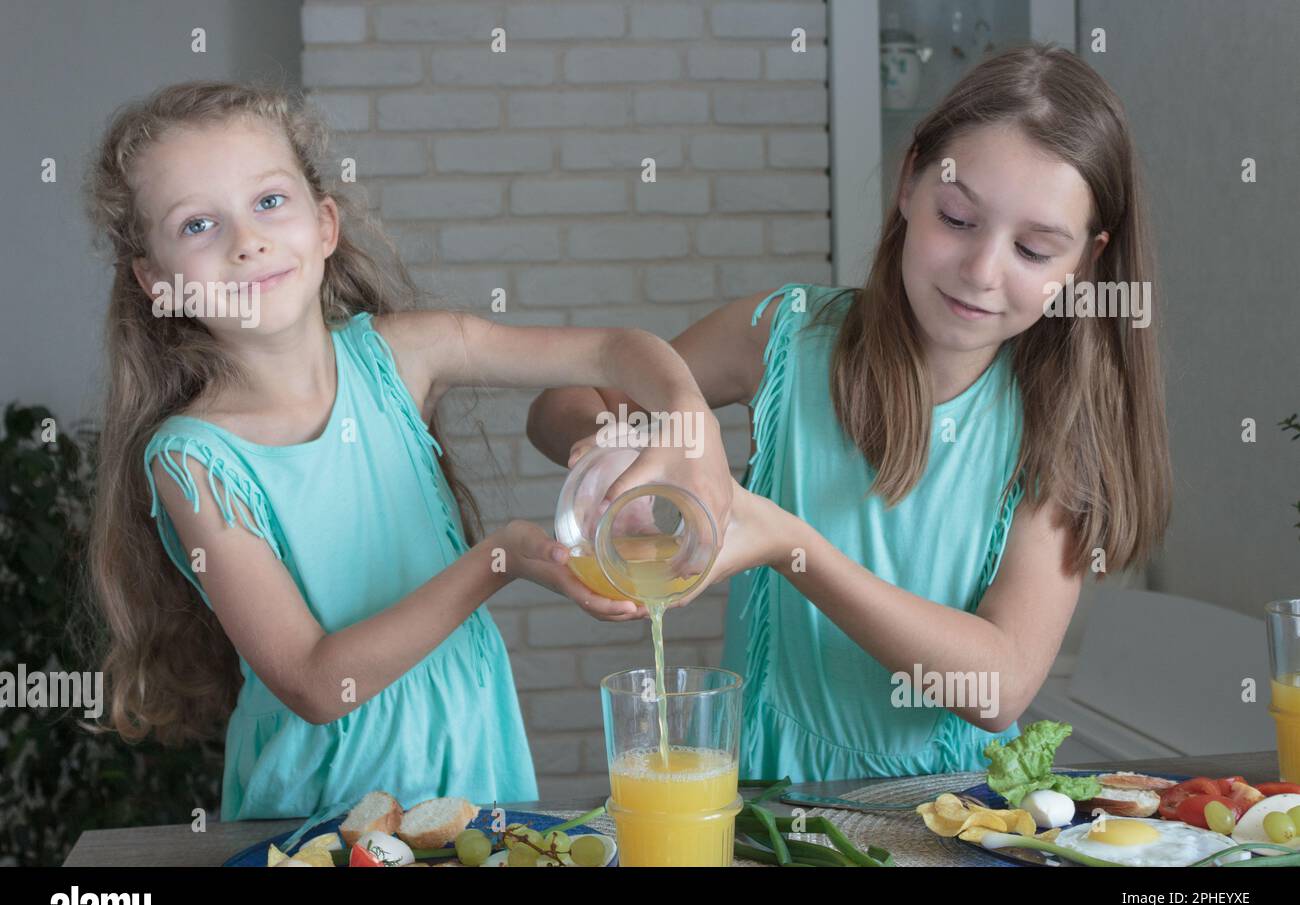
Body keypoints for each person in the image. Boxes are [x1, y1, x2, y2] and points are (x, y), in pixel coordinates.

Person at [80, 80, 733, 822]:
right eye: (198, 224)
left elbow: (617, 352)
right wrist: (503, 558)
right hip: (318, 812)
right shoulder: (193, 459)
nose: (246, 240)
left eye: (268, 202)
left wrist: (689, 422)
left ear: (325, 224)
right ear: (155, 280)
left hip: (476, 770)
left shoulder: (406, 354)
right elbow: (316, 685)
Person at [529, 44, 1173, 783]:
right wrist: (610, 447)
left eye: (1032, 249)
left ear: (1085, 263)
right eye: (958, 219)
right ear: (909, 182)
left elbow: (999, 687)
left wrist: (789, 545)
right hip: (762, 794)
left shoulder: (1061, 423)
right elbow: (557, 408)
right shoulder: (783, 337)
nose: (983, 270)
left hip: (949, 812)